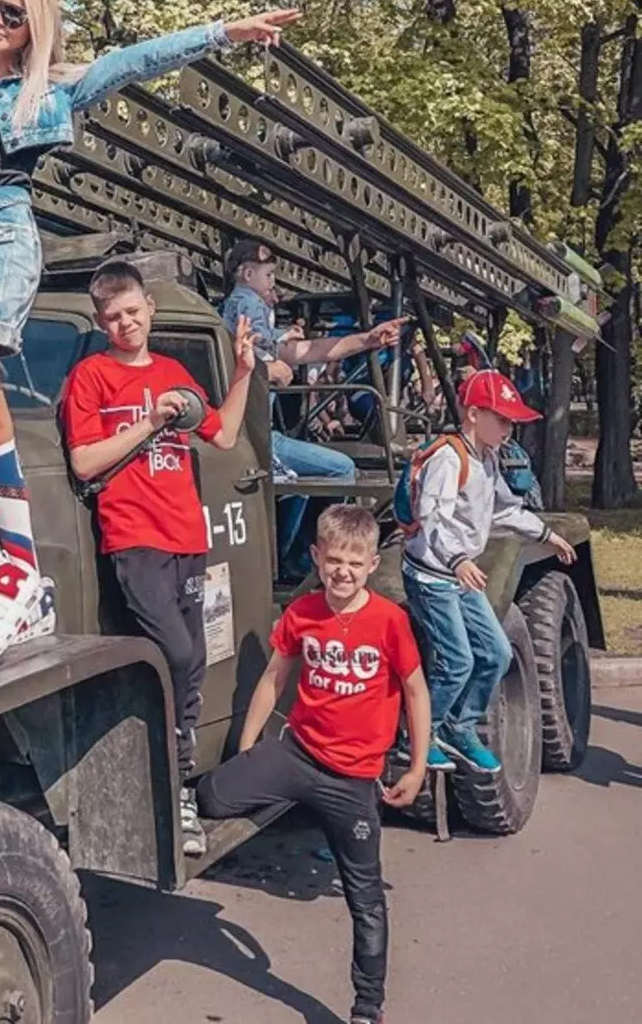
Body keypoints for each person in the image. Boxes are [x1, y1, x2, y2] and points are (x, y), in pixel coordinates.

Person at [0, 0, 300, 674]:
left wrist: (221, 32)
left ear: (34, 27)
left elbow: (128, 63)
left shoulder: (43, 90)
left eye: (13, 14)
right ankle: (21, 574)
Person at [198, 505, 431, 1024]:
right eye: (333, 561)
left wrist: (415, 768)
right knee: (212, 797)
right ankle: (280, 792)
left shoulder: (390, 622)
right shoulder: (303, 612)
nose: (342, 572)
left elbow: (416, 692)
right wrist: (249, 745)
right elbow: (273, 679)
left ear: (372, 563)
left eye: (354, 562)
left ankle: (368, 1007)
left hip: (353, 779)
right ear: (317, 557)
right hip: (298, 753)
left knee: (365, 899)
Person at [62, 259, 259, 857]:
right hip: (134, 535)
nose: (126, 323)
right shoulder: (92, 377)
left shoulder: (174, 370)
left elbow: (222, 435)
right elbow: (84, 463)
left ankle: (181, 785)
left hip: (187, 537)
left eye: (133, 311)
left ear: (150, 308)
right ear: (102, 322)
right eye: (113, 317)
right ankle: (175, 784)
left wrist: (244, 372)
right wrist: (149, 420)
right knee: (175, 652)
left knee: (192, 656)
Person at [401, 369, 576, 772]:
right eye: (502, 420)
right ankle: (419, 734)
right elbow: (432, 519)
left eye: (512, 422)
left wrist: (546, 533)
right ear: (474, 414)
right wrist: (457, 561)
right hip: (432, 575)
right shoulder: (448, 458)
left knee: (496, 653)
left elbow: (505, 509)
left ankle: (458, 727)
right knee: (457, 660)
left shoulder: (487, 457)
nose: (508, 430)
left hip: (459, 575)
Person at [220, 239, 405, 576]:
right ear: (247, 273)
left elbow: (309, 350)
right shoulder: (247, 302)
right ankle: (293, 561)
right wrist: (271, 368)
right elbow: (257, 353)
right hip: (255, 433)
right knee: (334, 471)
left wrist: (366, 340)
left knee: (318, 474)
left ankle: (293, 557)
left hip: (258, 431)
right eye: (270, 274)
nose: (274, 283)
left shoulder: (245, 306)